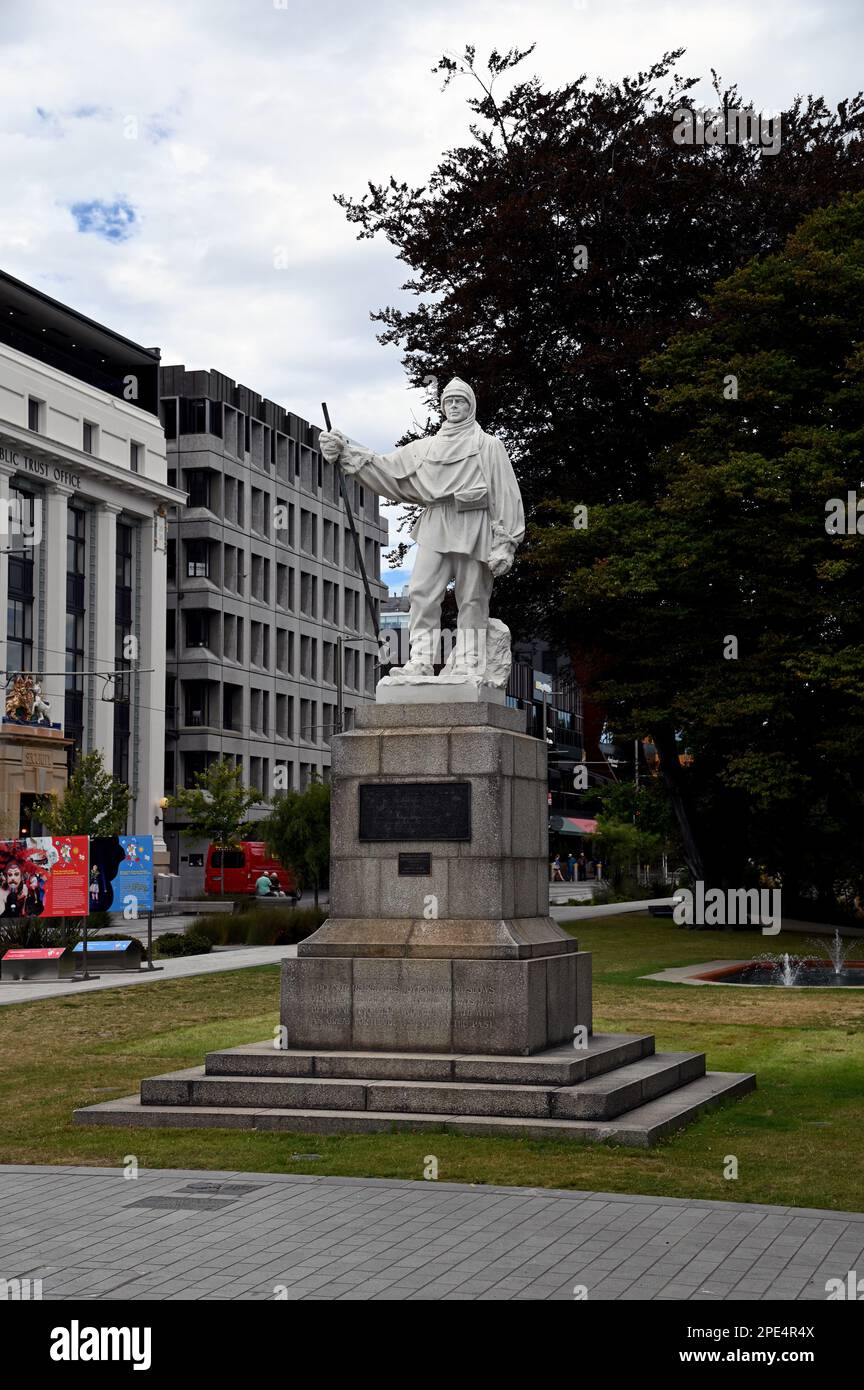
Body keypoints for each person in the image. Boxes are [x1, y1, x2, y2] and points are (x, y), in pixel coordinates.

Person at [319, 378, 524, 677]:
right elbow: (387, 468)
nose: (454, 406)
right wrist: (345, 452)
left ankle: (468, 661)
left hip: (475, 523)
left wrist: (506, 542)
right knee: (422, 592)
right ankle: (420, 660)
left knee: (472, 597)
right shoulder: (426, 448)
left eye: (460, 401)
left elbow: (505, 493)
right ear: (442, 407)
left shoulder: (488, 446)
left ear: (471, 406)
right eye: (449, 401)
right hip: (435, 522)